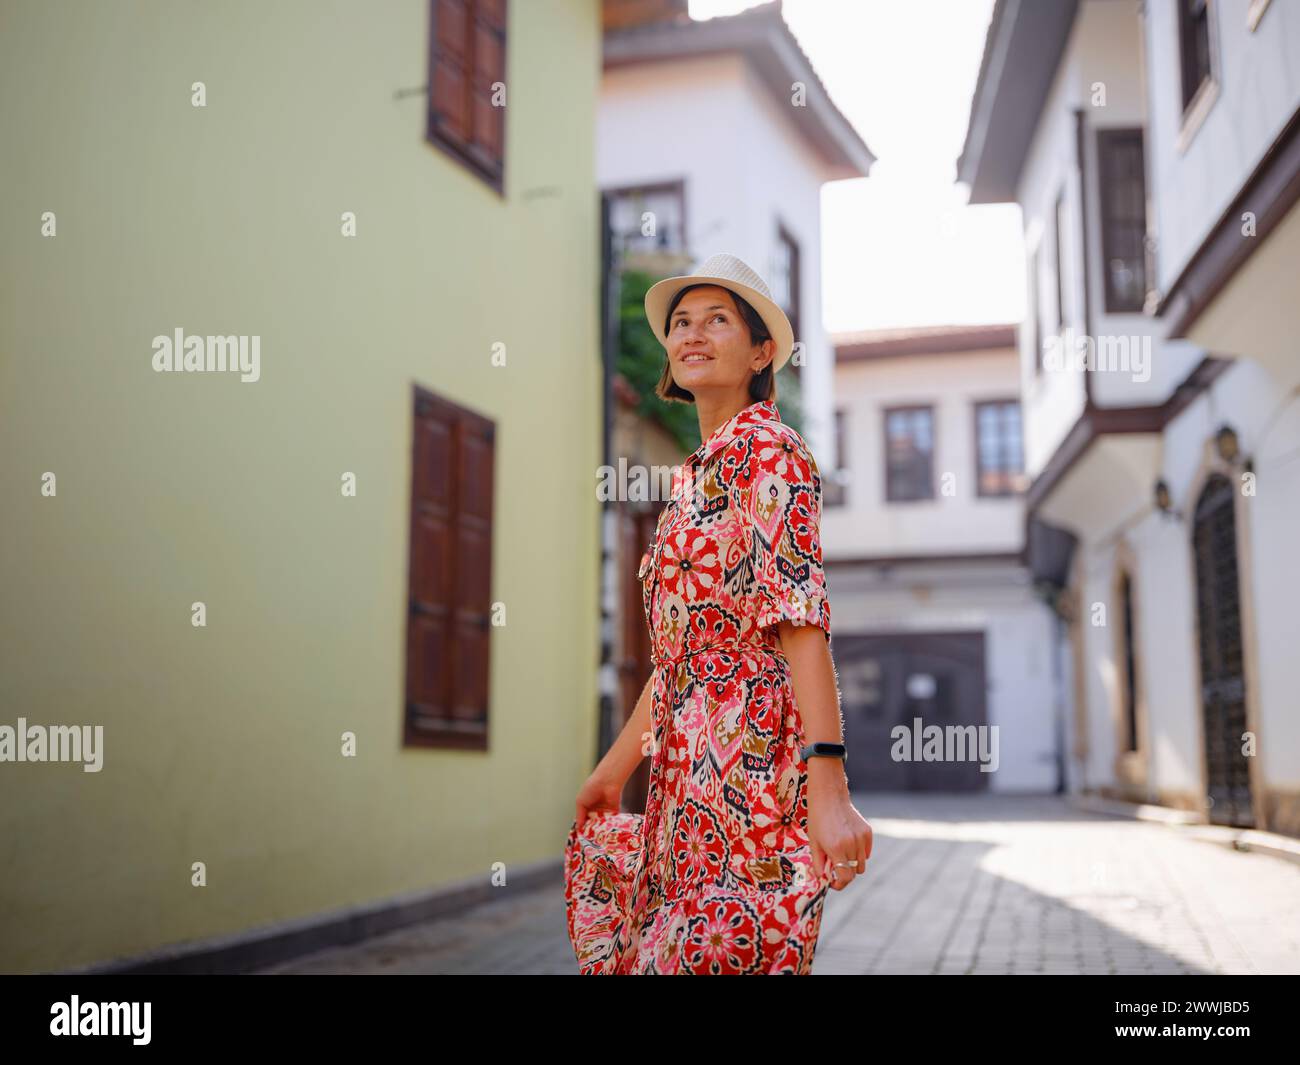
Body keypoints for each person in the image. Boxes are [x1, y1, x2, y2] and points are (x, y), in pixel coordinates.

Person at [564, 253, 872, 974]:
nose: (691, 334)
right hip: (682, 781)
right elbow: (679, 663)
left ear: (761, 351)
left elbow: (801, 625)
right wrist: (612, 771)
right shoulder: (693, 480)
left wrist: (830, 790)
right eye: (680, 322)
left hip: (751, 771)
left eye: (717, 319)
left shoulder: (770, 452)